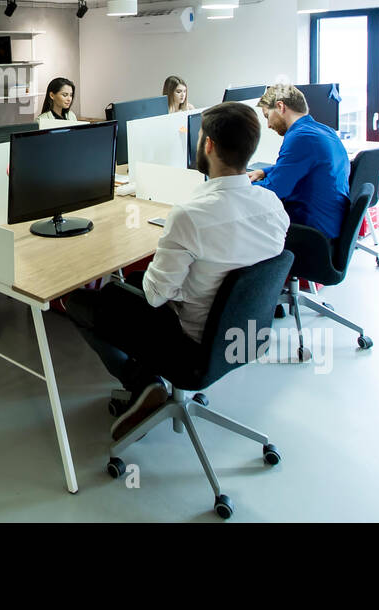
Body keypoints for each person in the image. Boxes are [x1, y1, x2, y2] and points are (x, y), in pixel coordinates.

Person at [63, 102, 290, 442]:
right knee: (134, 282)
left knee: (79, 301)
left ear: (208, 145)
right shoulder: (273, 205)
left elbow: (156, 296)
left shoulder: (190, 216)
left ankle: (142, 383)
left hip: (190, 347)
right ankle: (148, 380)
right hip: (242, 336)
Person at [249, 83, 349, 239]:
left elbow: (274, 190)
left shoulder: (300, 138)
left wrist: (236, 186)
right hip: (331, 221)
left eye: (267, 116)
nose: (268, 125)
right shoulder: (323, 130)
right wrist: (263, 171)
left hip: (312, 232)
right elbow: (299, 167)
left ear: (280, 106)